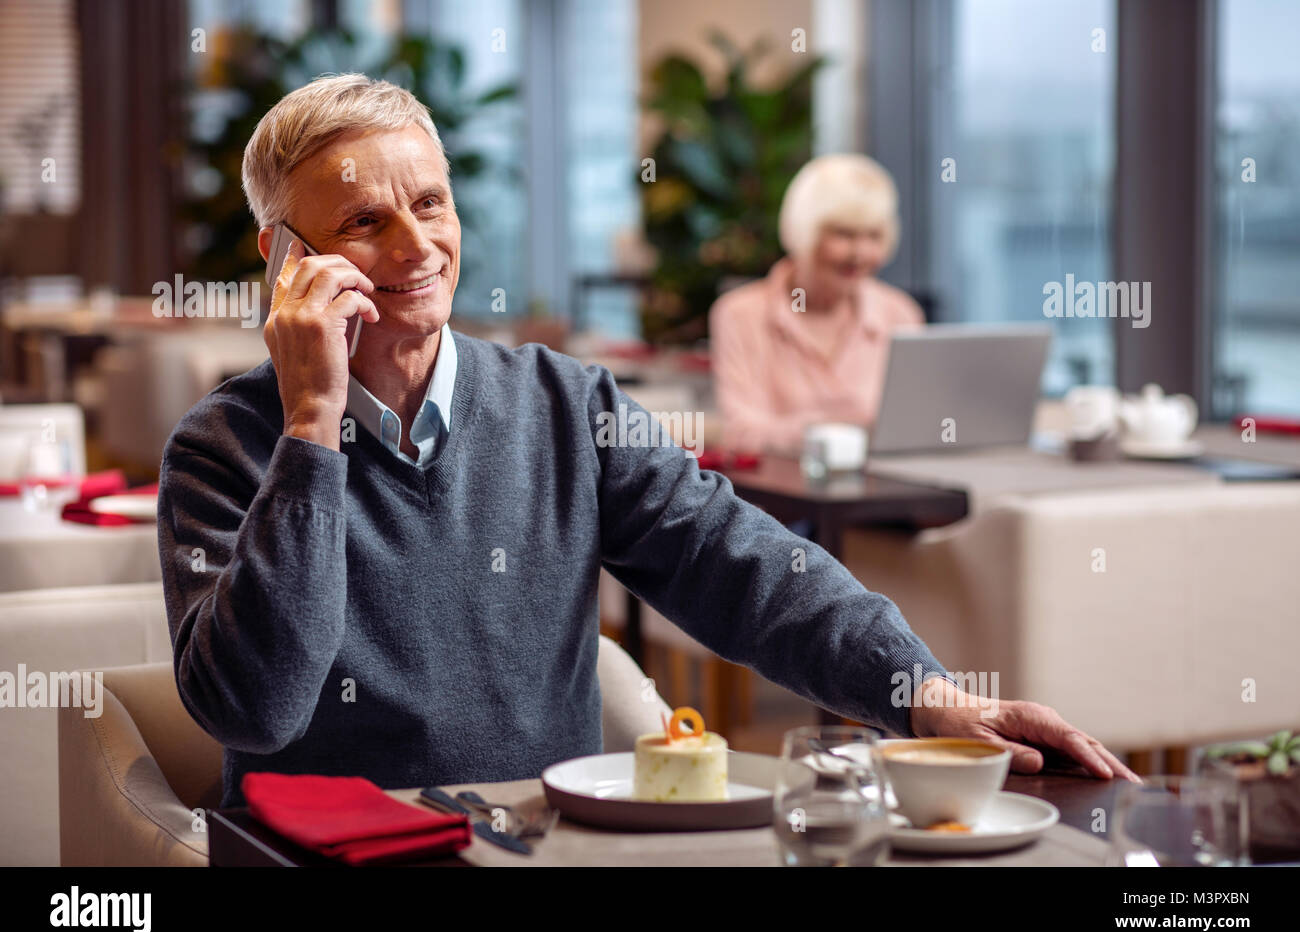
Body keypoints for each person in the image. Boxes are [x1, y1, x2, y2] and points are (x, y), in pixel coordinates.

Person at [158, 75, 1136, 809]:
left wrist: (926, 695)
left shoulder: (565, 402)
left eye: (430, 203)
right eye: (365, 220)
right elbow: (256, 707)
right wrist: (311, 427)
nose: (417, 249)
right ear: (286, 256)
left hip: (543, 848)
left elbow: (742, 563)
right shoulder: (224, 447)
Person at [711, 154, 922, 456]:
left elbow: (914, 428)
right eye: (843, 234)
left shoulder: (900, 313)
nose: (859, 253)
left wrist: (811, 430)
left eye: (874, 236)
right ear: (804, 231)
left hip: (884, 494)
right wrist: (853, 430)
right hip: (774, 499)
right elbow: (742, 434)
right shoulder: (740, 314)